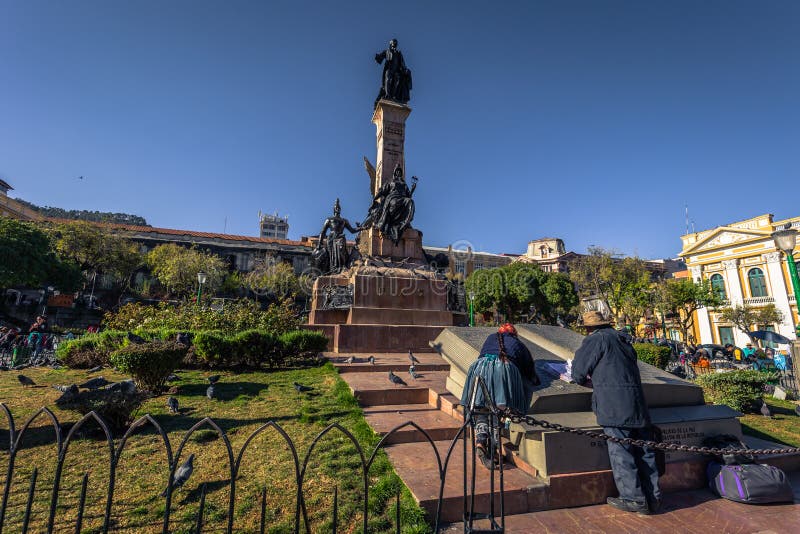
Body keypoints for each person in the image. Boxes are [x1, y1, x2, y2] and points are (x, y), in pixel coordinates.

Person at [571, 311, 661, 515]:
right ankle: (653, 498)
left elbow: (577, 372)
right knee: (645, 452)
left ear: (588, 328)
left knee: (622, 452)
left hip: (614, 405)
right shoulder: (623, 339)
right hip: (637, 404)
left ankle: (634, 499)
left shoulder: (596, 339)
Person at [461, 324, 538, 469]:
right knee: (498, 409)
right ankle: (494, 449)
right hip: (502, 369)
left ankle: (481, 441)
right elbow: (529, 367)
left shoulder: (491, 338)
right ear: (514, 334)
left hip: (479, 368)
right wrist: (534, 380)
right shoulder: (517, 343)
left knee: (482, 407)